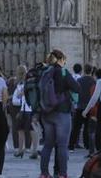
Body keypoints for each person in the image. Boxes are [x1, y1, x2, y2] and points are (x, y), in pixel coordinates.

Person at [36, 49, 79, 178]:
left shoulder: (44, 71)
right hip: (62, 112)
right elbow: (77, 88)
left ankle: (44, 173)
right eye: (64, 60)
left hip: (46, 113)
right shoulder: (63, 72)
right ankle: (62, 174)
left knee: (48, 144)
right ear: (61, 59)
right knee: (62, 145)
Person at [70, 64, 96, 154]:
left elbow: (75, 92)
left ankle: (71, 145)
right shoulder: (93, 81)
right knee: (88, 127)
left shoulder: (79, 80)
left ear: (84, 70)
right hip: (89, 107)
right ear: (91, 70)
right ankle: (87, 145)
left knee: (76, 127)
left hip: (80, 106)